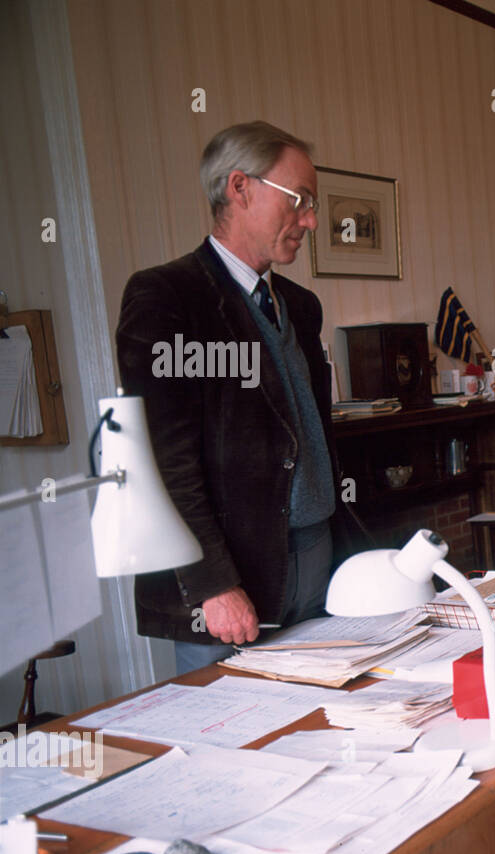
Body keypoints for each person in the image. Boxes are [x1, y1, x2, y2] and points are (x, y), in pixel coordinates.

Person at [116, 121, 363, 673]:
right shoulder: (167, 296)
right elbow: (161, 460)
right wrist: (214, 585)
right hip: (230, 588)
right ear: (239, 187)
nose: (312, 220)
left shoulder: (299, 305)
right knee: (238, 749)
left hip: (318, 560)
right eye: (300, 200)